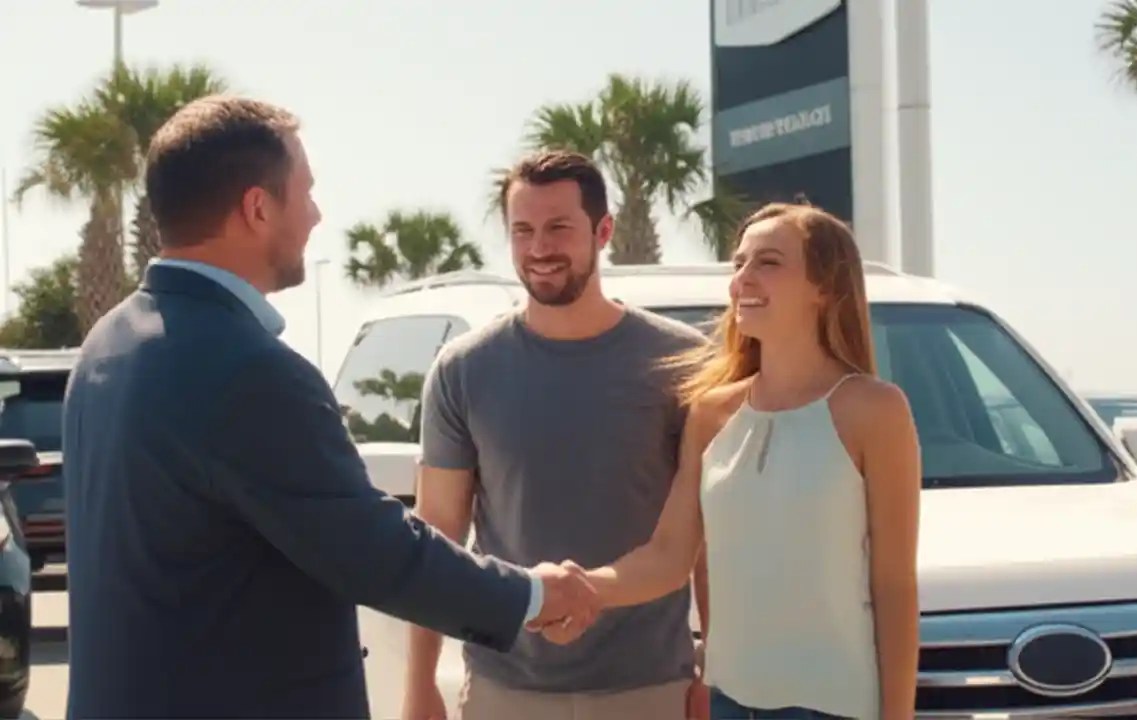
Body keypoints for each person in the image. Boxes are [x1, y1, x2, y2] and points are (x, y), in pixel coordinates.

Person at [61, 95, 599, 720]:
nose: (316, 215)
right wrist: (534, 595)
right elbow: (370, 549)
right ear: (257, 208)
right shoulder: (247, 369)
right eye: (306, 192)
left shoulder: (108, 342)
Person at [544, 202, 923, 720]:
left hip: (832, 707)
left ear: (825, 288)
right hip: (728, 703)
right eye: (739, 263)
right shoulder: (712, 411)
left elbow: (895, 586)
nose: (742, 277)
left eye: (768, 262)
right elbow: (670, 555)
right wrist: (579, 589)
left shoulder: (875, 410)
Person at [402, 149, 710, 720]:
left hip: (649, 688)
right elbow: (437, 536)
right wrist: (419, 684)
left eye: (559, 228)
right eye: (523, 230)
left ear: (604, 231)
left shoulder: (683, 362)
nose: (539, 248)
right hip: (505, 688)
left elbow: (706, 540)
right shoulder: (464, 369)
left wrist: (714, 670)